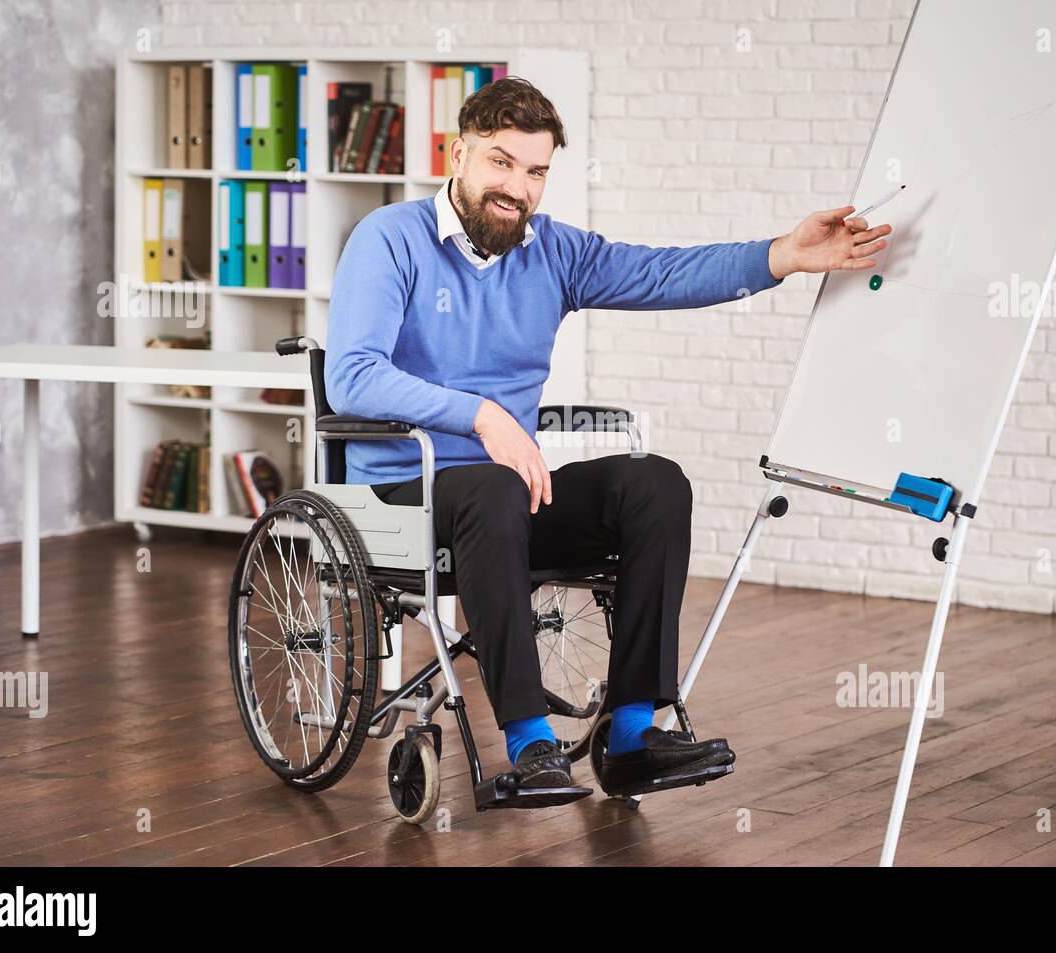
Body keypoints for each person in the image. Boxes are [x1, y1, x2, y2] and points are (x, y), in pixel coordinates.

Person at [325, 77, 890, 796]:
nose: (517, 188)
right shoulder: (390, 239)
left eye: (535, 172)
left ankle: (631, 735)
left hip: (505, 496)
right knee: (495, 485)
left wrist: (784, 253)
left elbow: (663, 273)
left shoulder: (552, 252)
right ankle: (532, 744)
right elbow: (351, 376)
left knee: (654, 481)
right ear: (459, 154)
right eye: (501, 163)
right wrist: (482, 414)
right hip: (402, 497)